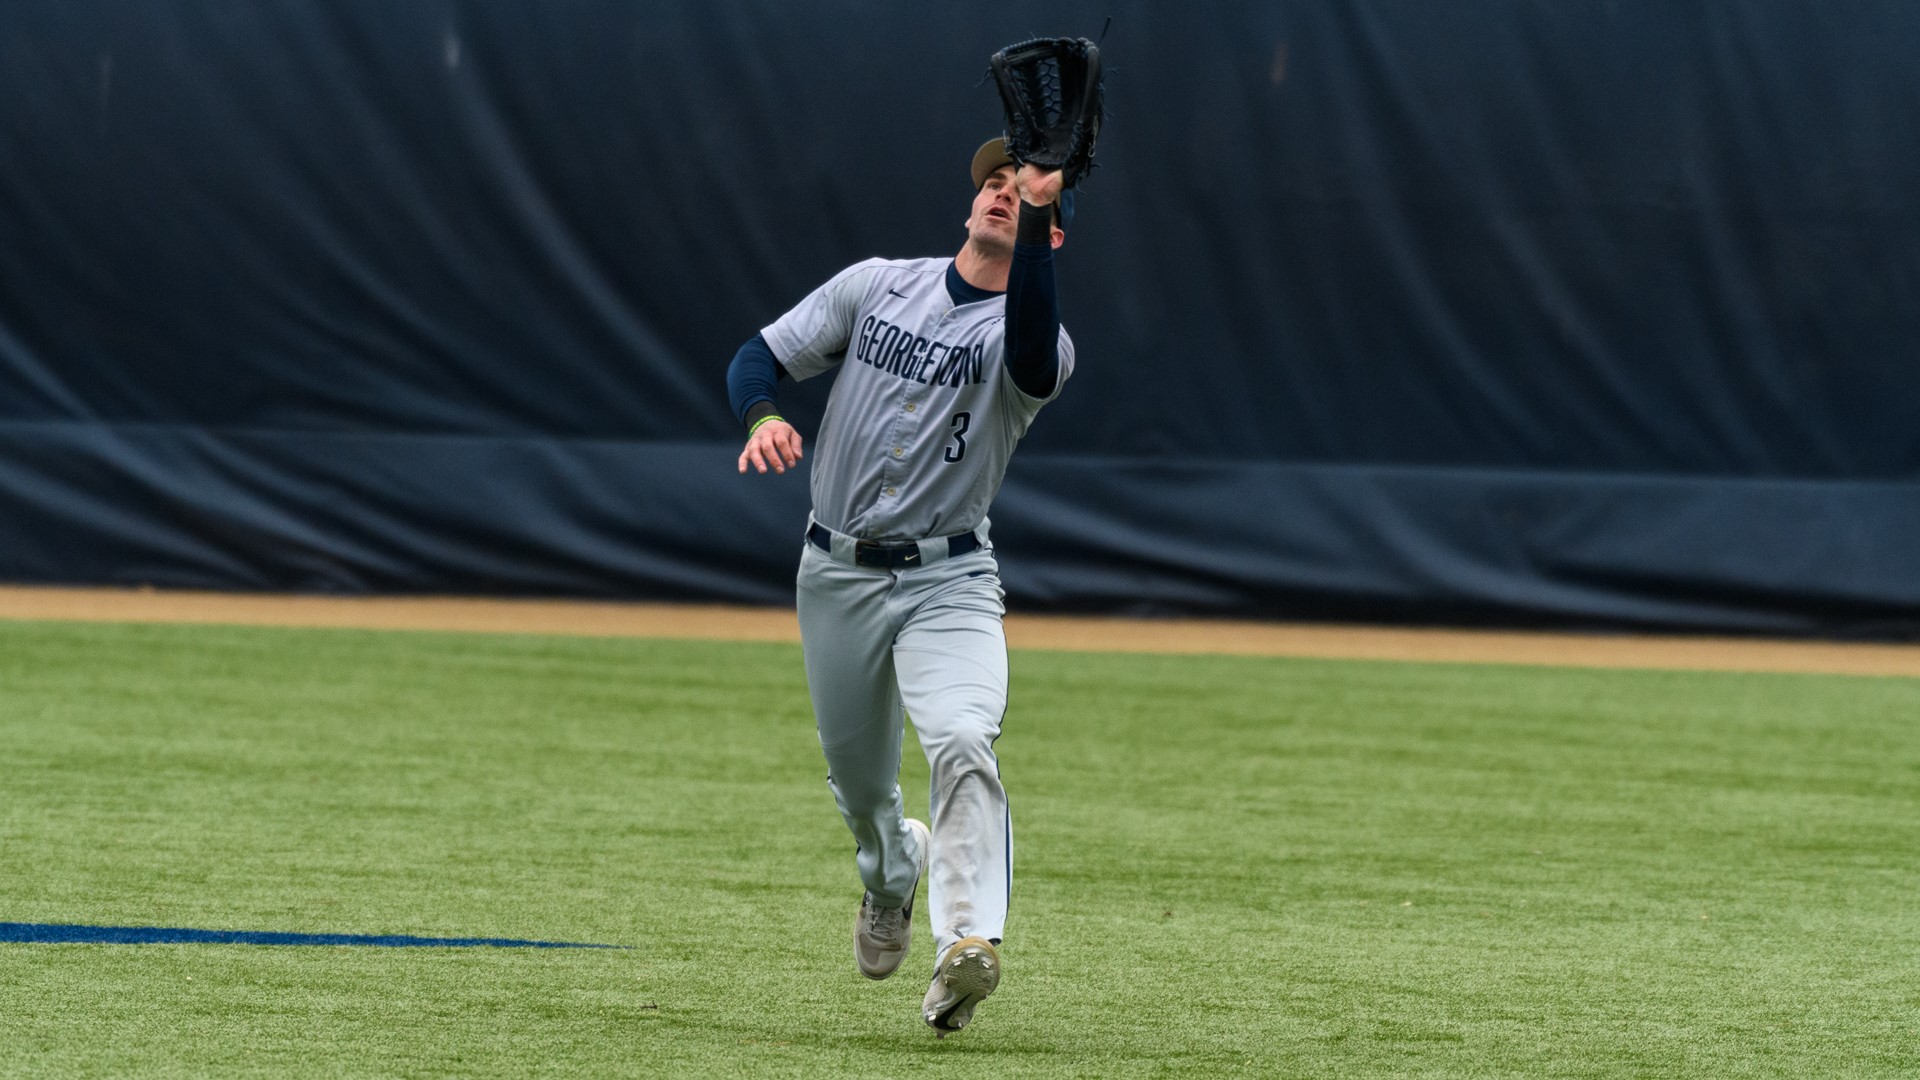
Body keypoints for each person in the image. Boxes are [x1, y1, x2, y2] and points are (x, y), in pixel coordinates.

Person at [725, 137, 1076, 1035]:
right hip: (835, 572)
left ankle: (969, 945)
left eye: (1022, 193)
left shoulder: (1037, 339)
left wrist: (1039, 215)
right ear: (968, 205)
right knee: (860, 787)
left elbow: (1032, 354)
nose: (1003, 195)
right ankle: (892, 876)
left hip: (949, 578)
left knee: (962, 737)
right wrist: (764, 416)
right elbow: (755, 358)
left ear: (1050, 239)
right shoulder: (878, 284)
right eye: (993, 185)